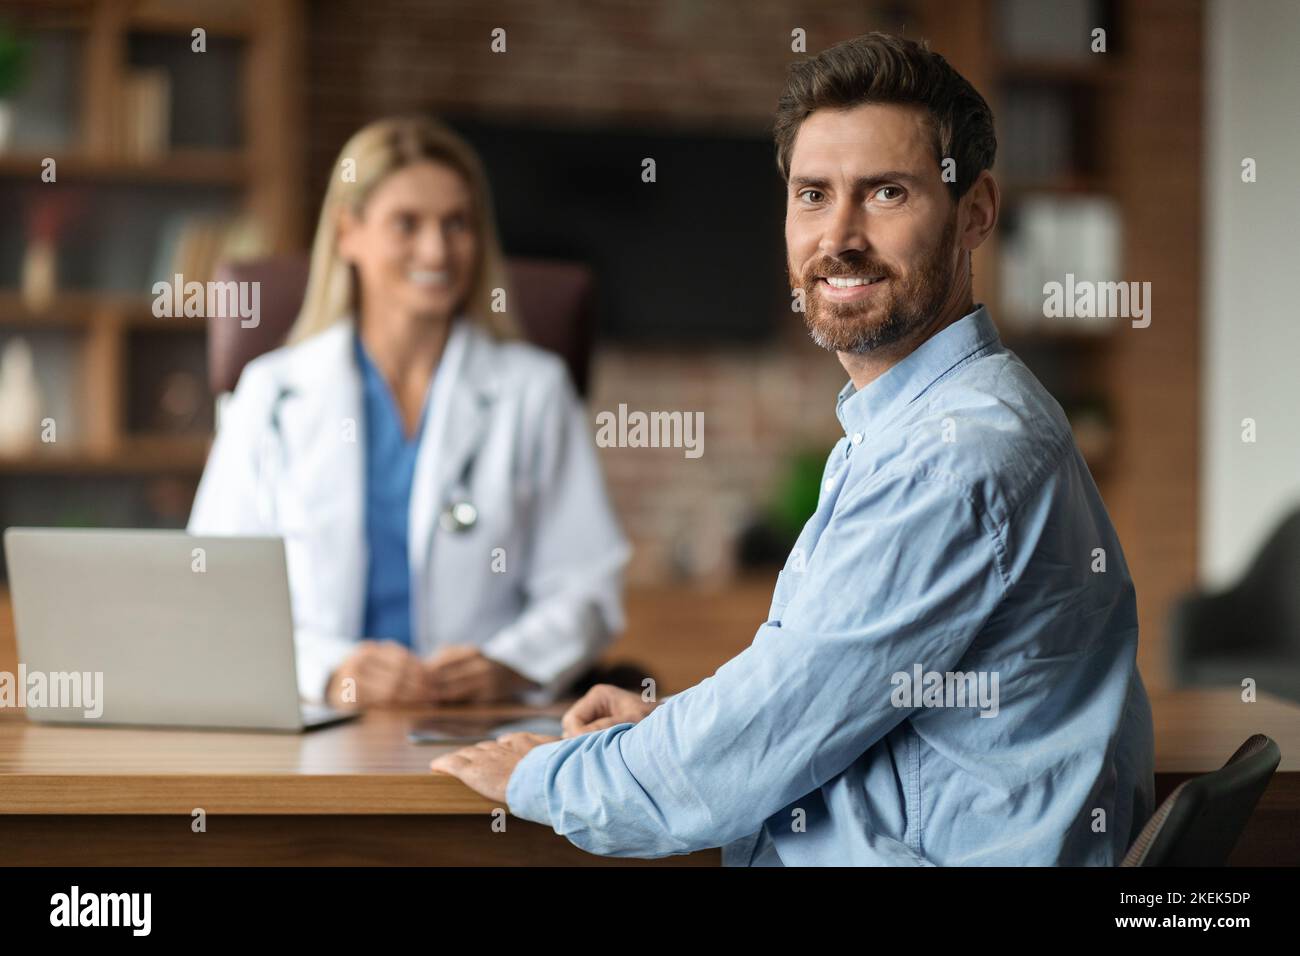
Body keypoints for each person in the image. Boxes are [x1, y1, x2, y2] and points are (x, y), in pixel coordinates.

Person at [432, 33, 1156, 866]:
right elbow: (813, 698)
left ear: (977, 211)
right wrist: (678, 729)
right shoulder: (928, 420)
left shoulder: (954, 455)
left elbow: (745, 759)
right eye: (813, 195)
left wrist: (548, 775)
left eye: (886, 193)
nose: (838, 237)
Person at [188, 117, 629, 709]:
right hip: (314, 720)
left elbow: (587, 586)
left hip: (476, 724)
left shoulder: (533, 390)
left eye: (457, 224)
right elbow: (213, 589)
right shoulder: (270, 393)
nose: (436, 249)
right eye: (407, 224)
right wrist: (330, 671)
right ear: (348, 233)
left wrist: (510, 665)